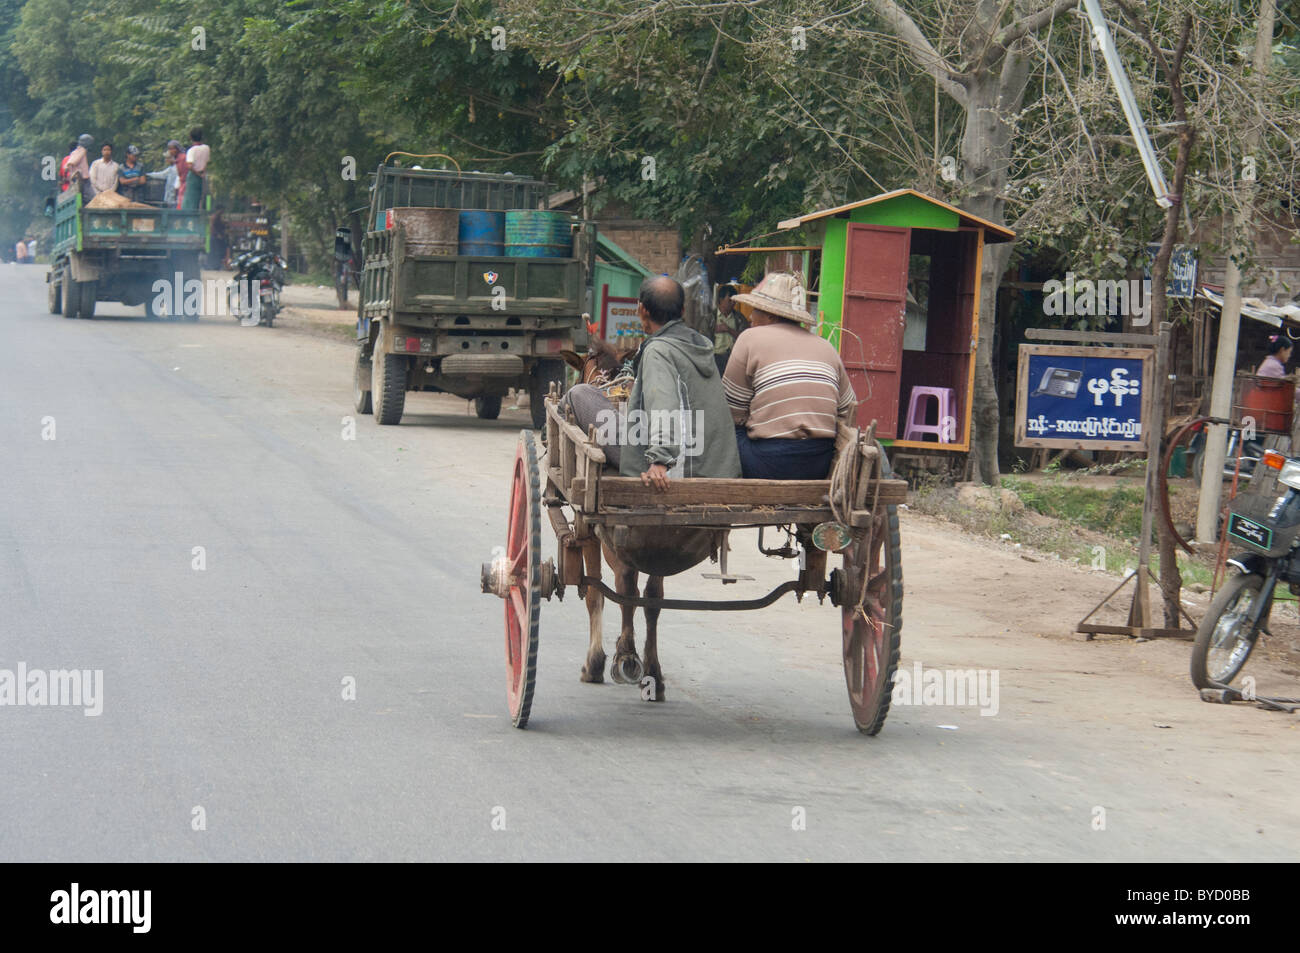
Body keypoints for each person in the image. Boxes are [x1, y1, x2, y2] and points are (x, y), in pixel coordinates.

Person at [563, 275, 741, 487]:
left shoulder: (658, 351)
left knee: (580, 394)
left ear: (642, 310)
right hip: (714, 466)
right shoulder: (699, 346)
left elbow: (663, 401)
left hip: (677, 468)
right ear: (682, 311)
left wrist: (660, 460)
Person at [723, 272, 857, 479]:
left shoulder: (749, 338)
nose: (750, 317)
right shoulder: (826, 346)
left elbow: (732, 410)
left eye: (755, 310)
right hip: (819, 463)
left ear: (770, 315)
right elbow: (847, 410)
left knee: (727, 429)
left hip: (769, 462)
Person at [712, 283, 744, 376]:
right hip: (715, 358)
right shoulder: (710, 318)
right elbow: (702, 337)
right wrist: (714, 329)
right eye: (730, 300)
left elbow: (744, 336)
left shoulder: (739, 318)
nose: (733, 303)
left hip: (734, 358)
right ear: (721, 300)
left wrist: (729, 330)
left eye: (735, 301)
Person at [146, 140, 182, 206]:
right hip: (170, 199)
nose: (166, 160)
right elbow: (161, 174)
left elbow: (162, 175)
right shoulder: (171, 168)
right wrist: (148, 174)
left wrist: (147, 174)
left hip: (174, 199)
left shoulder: (175, 168)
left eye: (168, 158)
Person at [181, 127, 209, 211]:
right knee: (198, 198)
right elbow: (206, 162)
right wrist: (202, 173)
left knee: (189, 200)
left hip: (193, 176)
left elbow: (190, 166)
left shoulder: (192, 150)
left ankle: (188, 220)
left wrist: (197, 174)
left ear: (191, 137)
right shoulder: (206, 148)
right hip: (202, 175)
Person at [66, 134, 93, 204]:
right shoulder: (81, 150)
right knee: (90, 197)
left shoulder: (78, 151)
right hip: (82, 178)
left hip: (81, 178)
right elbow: (72, 162)